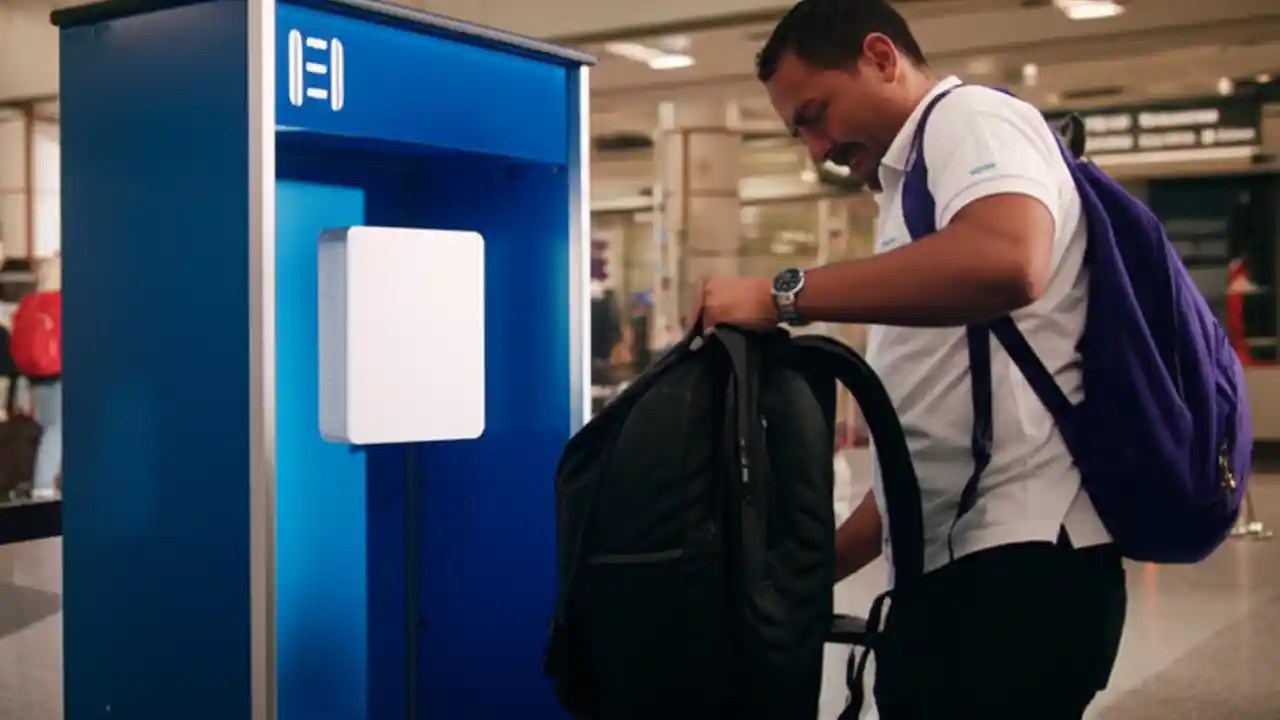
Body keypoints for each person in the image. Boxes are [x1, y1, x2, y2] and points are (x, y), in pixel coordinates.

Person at [697, 1, 1126, 717]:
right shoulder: (915, 194)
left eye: (815, 113)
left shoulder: (969, 118)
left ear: (881, 57)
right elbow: (929, 448)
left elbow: (1010, 260)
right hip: (965, 574)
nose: (814, 149)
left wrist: (783, 295)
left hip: (1021, 571)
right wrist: (811, 574)